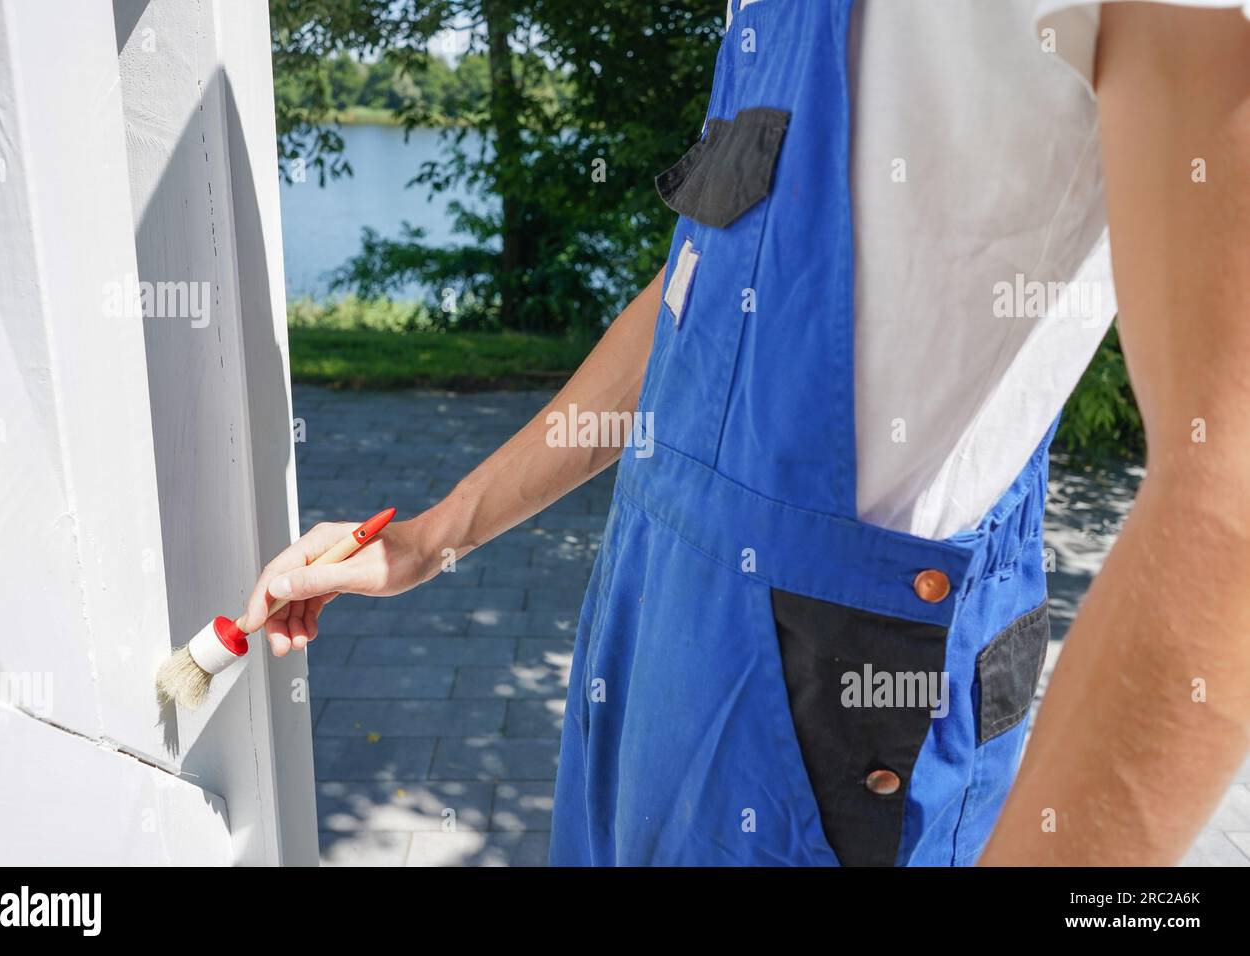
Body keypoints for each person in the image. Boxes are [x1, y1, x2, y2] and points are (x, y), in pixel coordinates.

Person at [243, 0, 1250, 866]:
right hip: (656, 641)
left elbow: (1230, 485)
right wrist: (432, 537)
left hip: (842, 691)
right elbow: (705, 289)